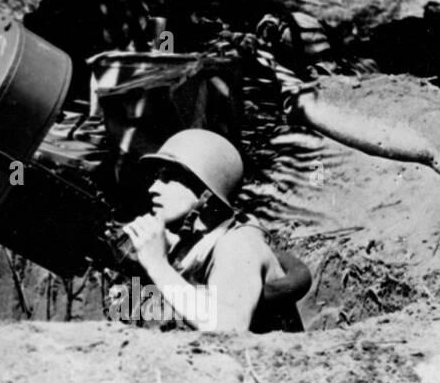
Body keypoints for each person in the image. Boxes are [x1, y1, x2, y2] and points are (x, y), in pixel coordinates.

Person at [119, 128, 308, 333]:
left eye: (169, 178)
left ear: (206, 193)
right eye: (158, 177)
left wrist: (157, 265)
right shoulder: (199, 237)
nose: (154, 188)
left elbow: (230, 328)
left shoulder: (238, 245)